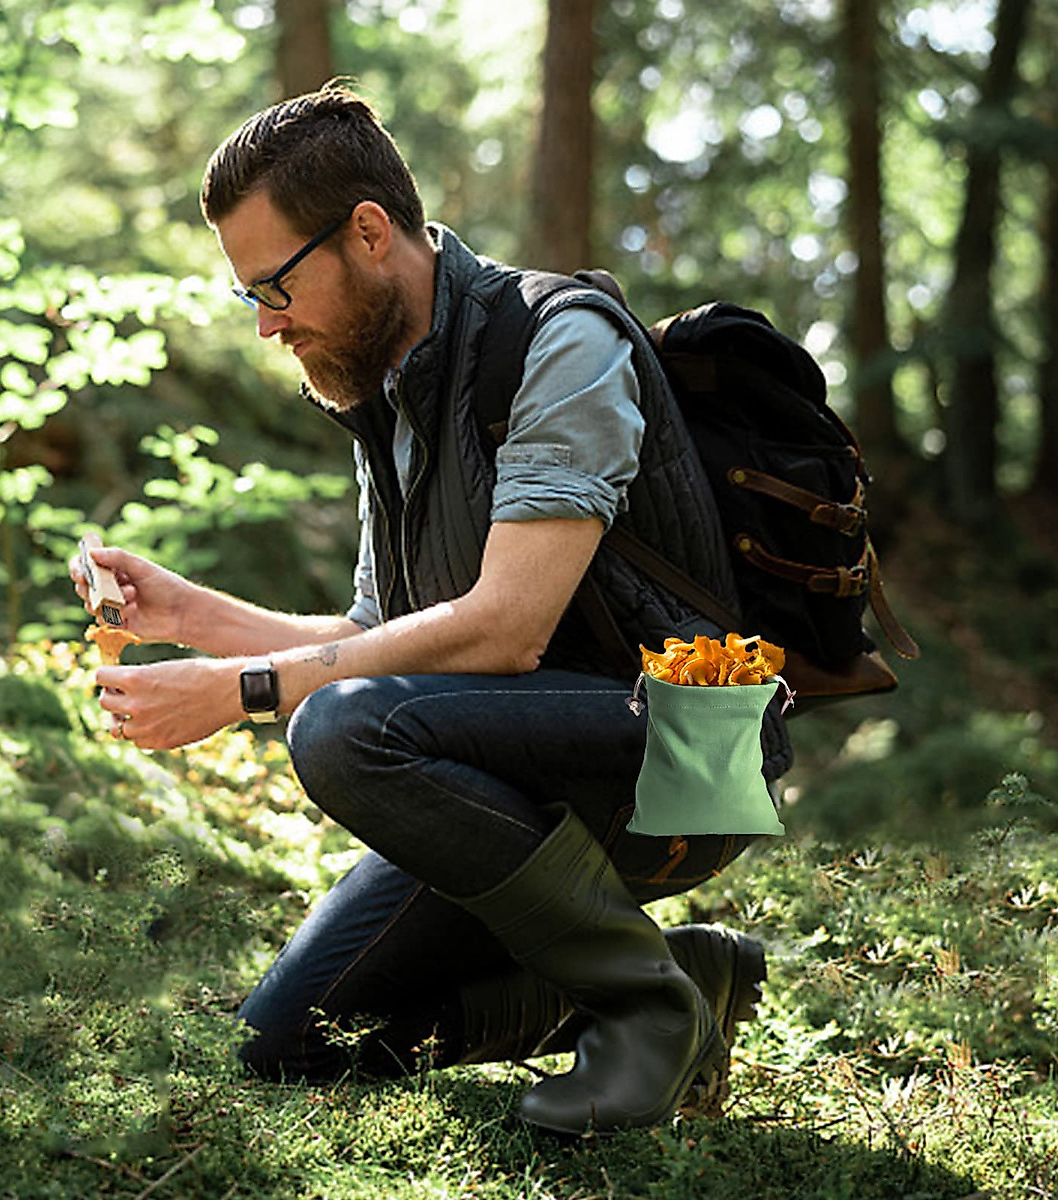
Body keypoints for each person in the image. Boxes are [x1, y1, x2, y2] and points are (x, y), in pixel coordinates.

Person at [70, 82, 791, 1136]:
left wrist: (246, 692)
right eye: (250, 300)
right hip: (526, 763)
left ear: (367, 233)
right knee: (286, 1046)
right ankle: (680, 980)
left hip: (694, 755)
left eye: (276, 287)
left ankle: (641, 1012)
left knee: (341, 727)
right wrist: (188, 614)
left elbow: (507, 626)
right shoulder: (393, 395)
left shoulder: (557, 342)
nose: (269, 327)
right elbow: (373, 642)